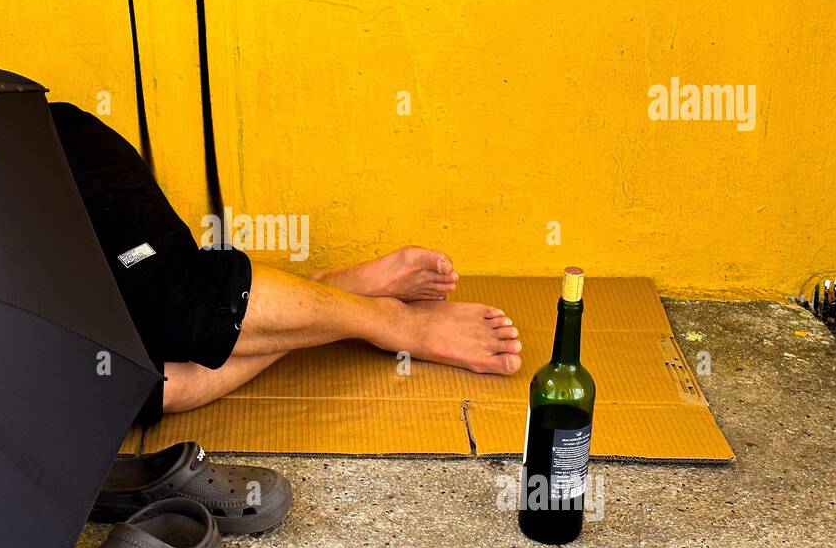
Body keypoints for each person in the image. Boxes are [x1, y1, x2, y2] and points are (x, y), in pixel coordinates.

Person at [49, 101, 522, 425]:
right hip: (25, 289)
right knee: (144, 386)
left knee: (176, 307)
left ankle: (392, 322)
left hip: (50, 152)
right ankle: (332, 292)